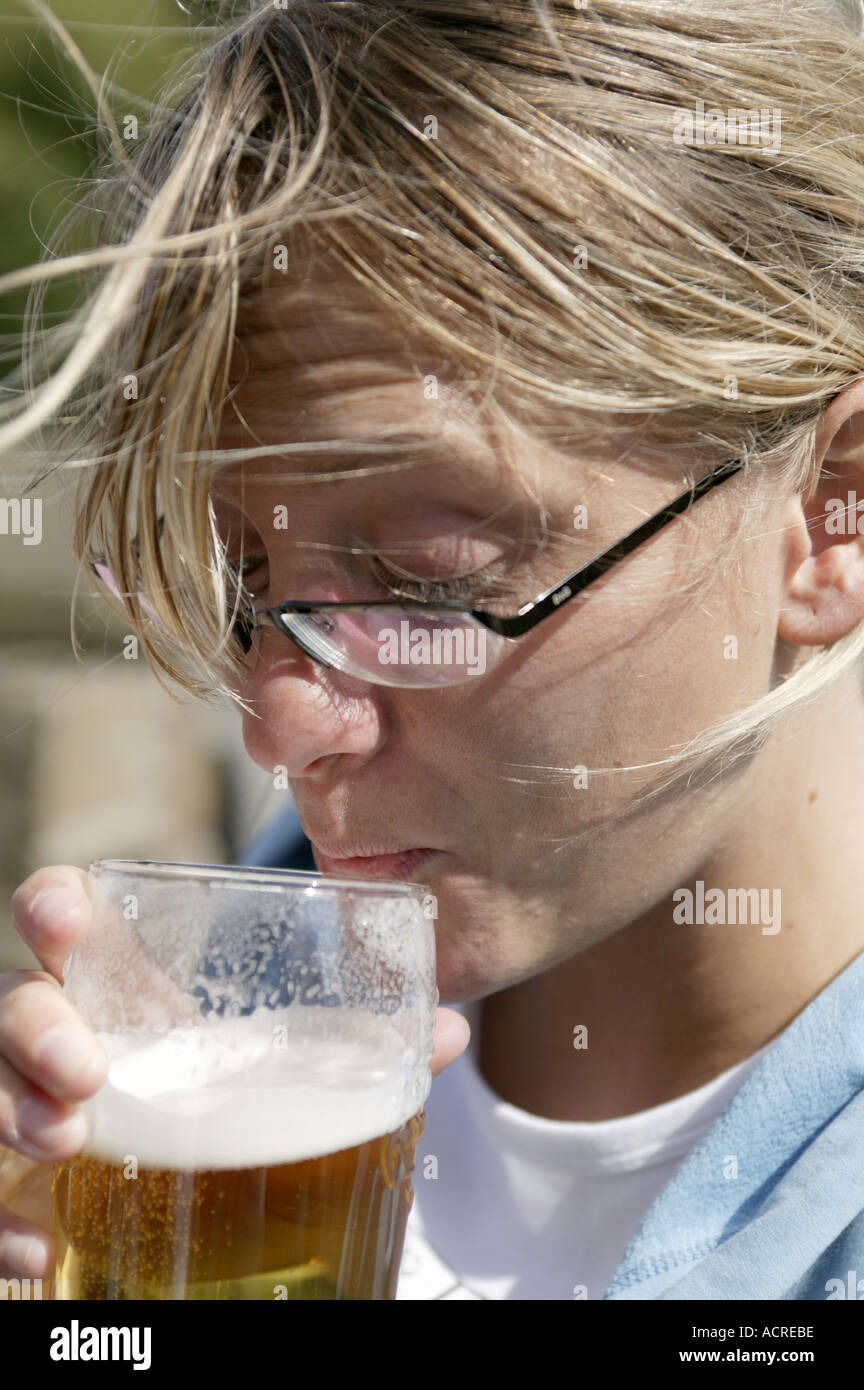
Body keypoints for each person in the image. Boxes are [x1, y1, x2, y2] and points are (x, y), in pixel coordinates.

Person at [2, 0, 864, 1301]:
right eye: (240, 585)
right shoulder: (204, 1061)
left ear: (826, 516)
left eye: (420, 581)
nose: (278, 728)